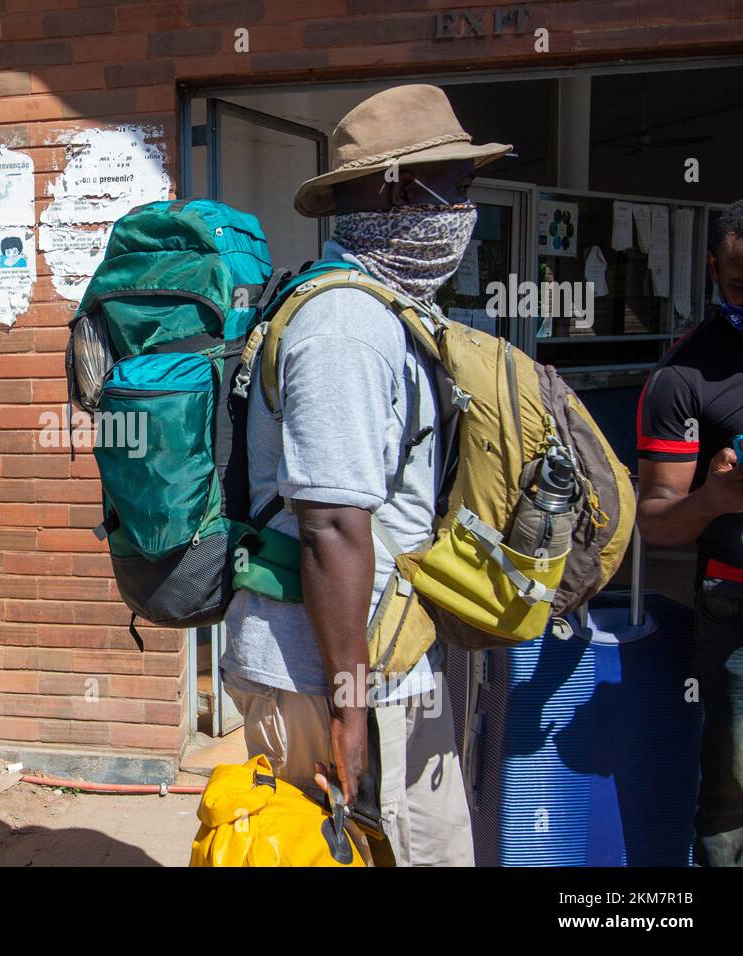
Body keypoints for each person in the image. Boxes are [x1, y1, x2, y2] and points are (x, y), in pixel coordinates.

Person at [221, 84, 510, 866]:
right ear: (395, 188)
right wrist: (352, 709)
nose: (464, 205)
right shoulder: (345, 327)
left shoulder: (386, 311)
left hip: (375, 662)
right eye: (454, 184)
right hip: (338, 681)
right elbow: (330, 526)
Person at [636, 199, 743, 867]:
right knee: (731, 798)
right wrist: (714, 497)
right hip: (733, 607)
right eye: (740, 281)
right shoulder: (681, 376)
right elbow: (655, 520)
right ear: (712, 269)